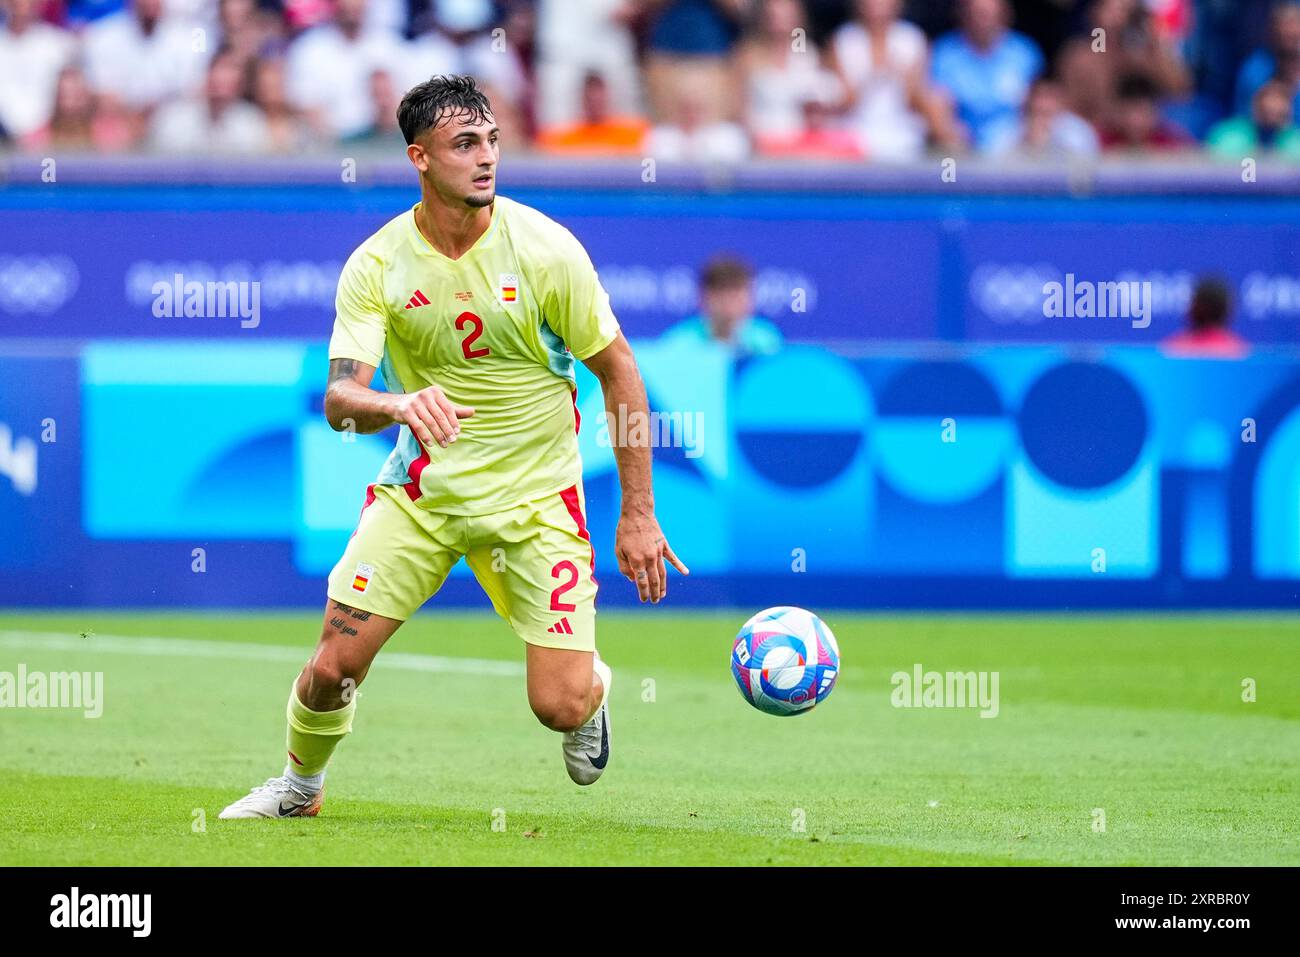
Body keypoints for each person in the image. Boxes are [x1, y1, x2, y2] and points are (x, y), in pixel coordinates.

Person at [220, 75, 687, 819]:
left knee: (559, 706)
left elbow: (620, 370)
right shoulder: (377, 264)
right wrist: (399, 402)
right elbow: (341, 401)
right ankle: (299, 789)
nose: (486, 158)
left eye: (493, 141)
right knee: (332, 667)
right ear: (420, 158)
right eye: (465, 144)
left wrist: (639, 513)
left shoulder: (543, 249)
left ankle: (591, 685)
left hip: (536, 505)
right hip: (424, 498)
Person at [930, 0, 1044, 152]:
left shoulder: (1024, 52)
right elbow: (937, 101)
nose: (983, 21)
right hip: (960, 138)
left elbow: (1039, 99)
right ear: (963, 15)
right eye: (977, 14)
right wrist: (951, 132)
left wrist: (1032, 128)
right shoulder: (943, 53)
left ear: (1004, 15)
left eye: (989, 14)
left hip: (1015, 138)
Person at [661, 255, 783, 356]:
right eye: (722, 292)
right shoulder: (679, 342)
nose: (729, 302)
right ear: (703, 297)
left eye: (736, 293)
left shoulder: (766, 341)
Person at [1207, 78, 1300, 159]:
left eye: (1279, 113)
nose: (1274, 107)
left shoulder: (1296, 142)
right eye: (1266, 111)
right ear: (1254, 106)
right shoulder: (1229, 136)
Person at [1161, 277, 1249, 358]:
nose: (1189, 307)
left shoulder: (1174, 350)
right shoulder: (1241, 352)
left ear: (1200, 307)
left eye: (1192, 303)